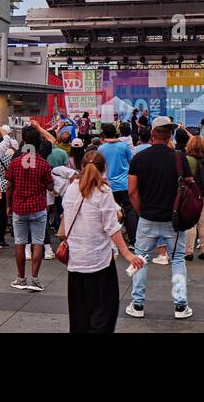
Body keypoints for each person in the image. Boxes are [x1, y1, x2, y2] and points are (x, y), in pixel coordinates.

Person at [62, 150, 145, 333]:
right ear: (104, 168)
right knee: (103, 314)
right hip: (99, 261)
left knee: (78, 316)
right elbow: (111, 227)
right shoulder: (103, 191)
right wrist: (127, 253)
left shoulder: (71, 189)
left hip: (76, 261)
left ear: (81, 167)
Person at [126, 116, 192, 319]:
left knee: (140, 258)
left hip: (147, 217)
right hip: (174, 219)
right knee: (178, 259)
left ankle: (137, 304)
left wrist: (140, 211)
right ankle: (180, 306)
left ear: (153, 134)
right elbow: (188, 188)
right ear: (170, 134)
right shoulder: (179, 158)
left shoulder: (139, 158)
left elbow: (132, 192)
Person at [5, 123, 54, 291]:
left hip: (19, 206)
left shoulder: (15, 162)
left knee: (20, 242)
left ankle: (20, 278)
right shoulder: (43, 164)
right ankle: (35, 279)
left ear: (23, 141)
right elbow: (50, 186)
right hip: (38, 207)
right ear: (39, 143)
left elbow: (9, 186)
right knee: (38, 242)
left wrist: (8, 205)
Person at [97, 122, 136, 248]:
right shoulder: (124, 146)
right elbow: (132, 162)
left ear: (103, 134)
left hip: (110, 185)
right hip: (125, 183)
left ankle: (114, 241)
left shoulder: (101, 149)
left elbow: (100, 167)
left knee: (113, 213)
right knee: (130, 211)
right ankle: (133, 240)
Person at [183, 132, 204, 260]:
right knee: (203, 222)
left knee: (191, 223)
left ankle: (189, 251)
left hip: (191, 194)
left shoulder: (188, 160)